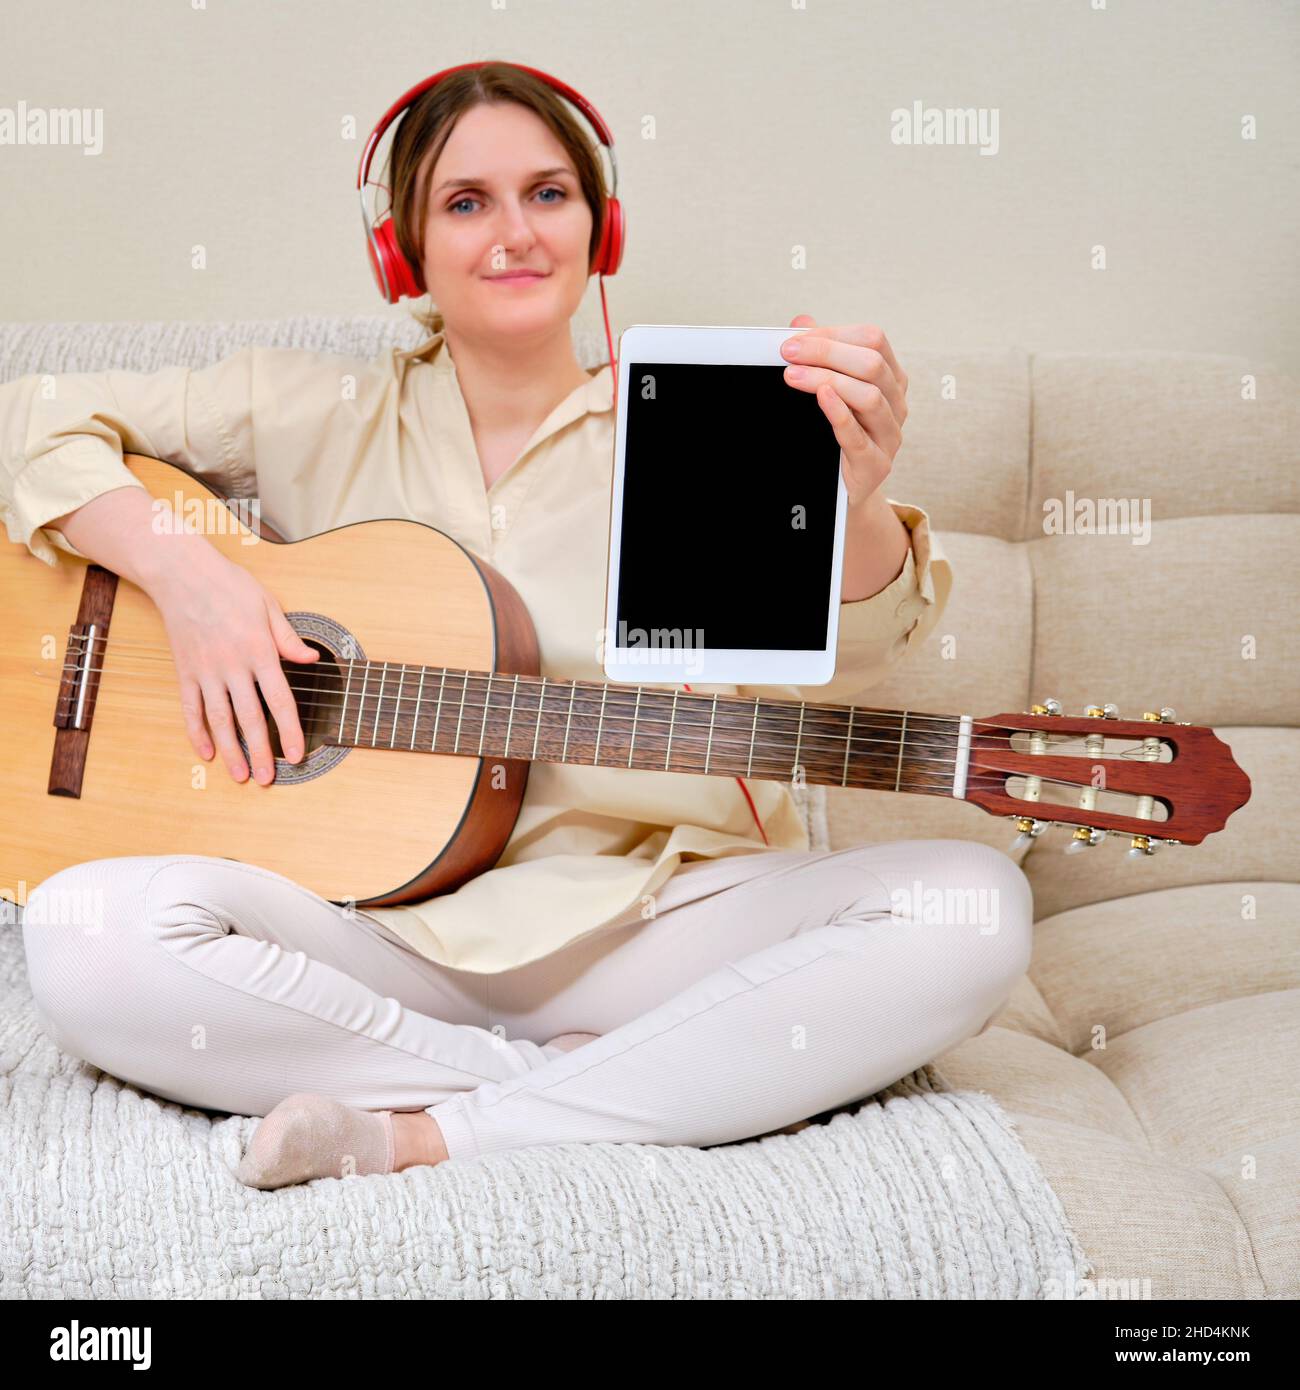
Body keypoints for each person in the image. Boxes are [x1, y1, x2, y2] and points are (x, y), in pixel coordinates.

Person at [1, 62, 1030, 1189]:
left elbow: (857, 665)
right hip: (388, 932)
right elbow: (34, 422)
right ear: (402, 252)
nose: (515, 234)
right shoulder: (310, 406)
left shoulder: (705, 431)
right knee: (81, 927)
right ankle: (590, 1083)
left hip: (660, 924)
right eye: (465, 201)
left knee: (973, 907)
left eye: (549, 194)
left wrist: (857, 500)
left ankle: (433, 1128)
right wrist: (187, 579)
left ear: (602, 227)